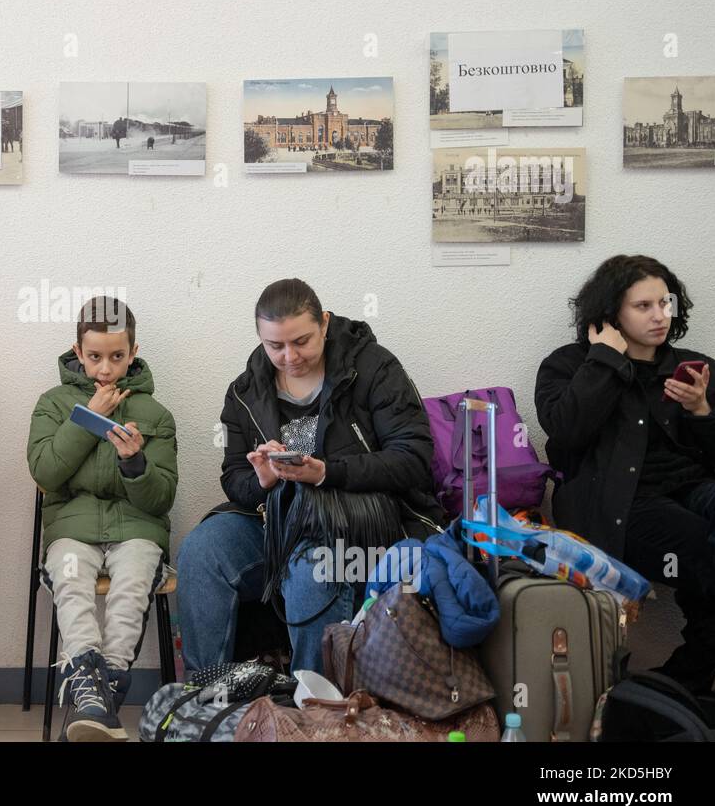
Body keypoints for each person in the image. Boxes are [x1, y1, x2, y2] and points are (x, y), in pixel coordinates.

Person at [176, 278, 443, 676]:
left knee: (310, 567)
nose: (289, 357)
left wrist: (327, 473)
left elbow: (414, 458)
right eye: (276, 346)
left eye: (301, 341)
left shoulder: (373, 368)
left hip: (360, 521)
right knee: (201, 551)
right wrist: (262, 480)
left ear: (324, 323)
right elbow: (234, 478)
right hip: (278, 519)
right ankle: (203, 699)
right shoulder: (246, 390)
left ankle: (314, 709)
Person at [536, 255, 715, 694]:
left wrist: (702, 412)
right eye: (643, 306)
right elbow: (566, 433)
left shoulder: (695, 368)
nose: (660, 316)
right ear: (610, 313)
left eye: (665, 303)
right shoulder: (569, 366)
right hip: (620, 503)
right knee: (703, 549)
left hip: (696, 492)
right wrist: (603, 360)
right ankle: (681, 684)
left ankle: (676, 687)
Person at [27, 297, 178, 741]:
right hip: (71, 529)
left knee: (132, 587)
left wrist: (135, 464)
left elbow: (162, 498)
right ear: (78, 352)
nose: (105, 369)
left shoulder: (156, 414)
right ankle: (98, 692)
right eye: (94, 357)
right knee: (71, 583)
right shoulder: (52, 404)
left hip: (137, 529)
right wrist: (90, 417)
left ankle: (98, 690)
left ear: (133, 353)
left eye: (116, 356)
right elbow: (46, 472)